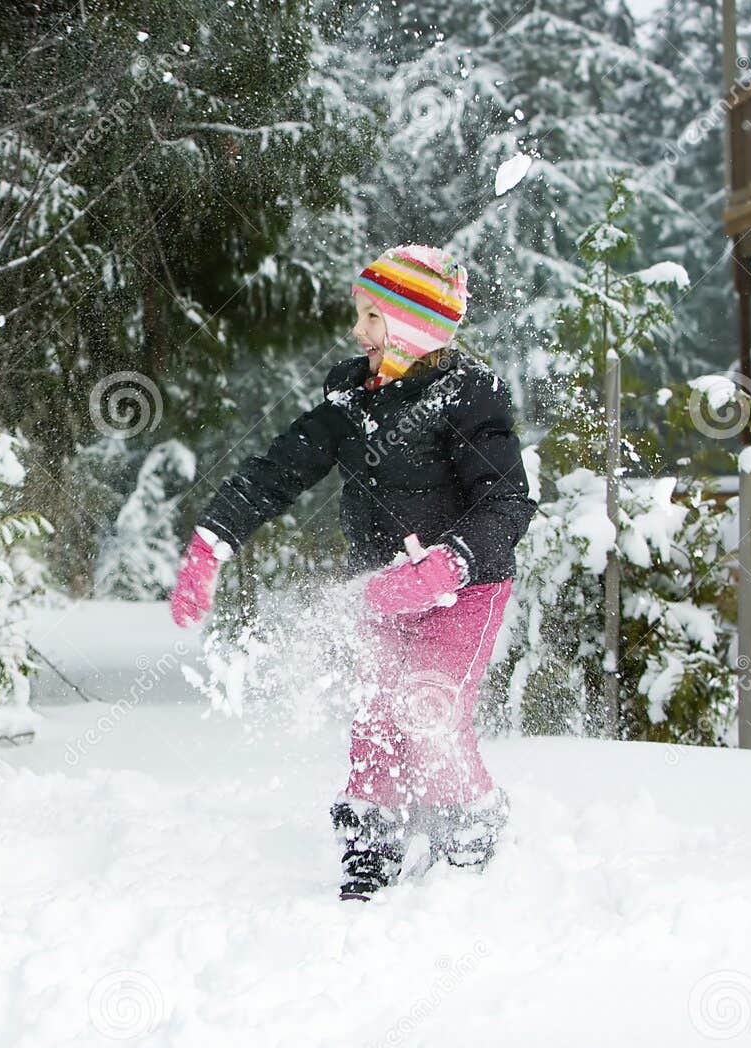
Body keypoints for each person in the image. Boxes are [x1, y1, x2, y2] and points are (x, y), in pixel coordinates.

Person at [170, 245, 536, 900]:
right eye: (359, 314)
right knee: (376, 719)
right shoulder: (350, 401)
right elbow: (276, 471)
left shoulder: (468, 396)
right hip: (380, 587)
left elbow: (507, 501)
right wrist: (211, 541)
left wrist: (447, 563)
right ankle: (374, 838)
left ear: (416, 326)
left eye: (373, 316)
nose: (358, 331)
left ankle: (467, 827)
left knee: (426, 706)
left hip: (466, 589)